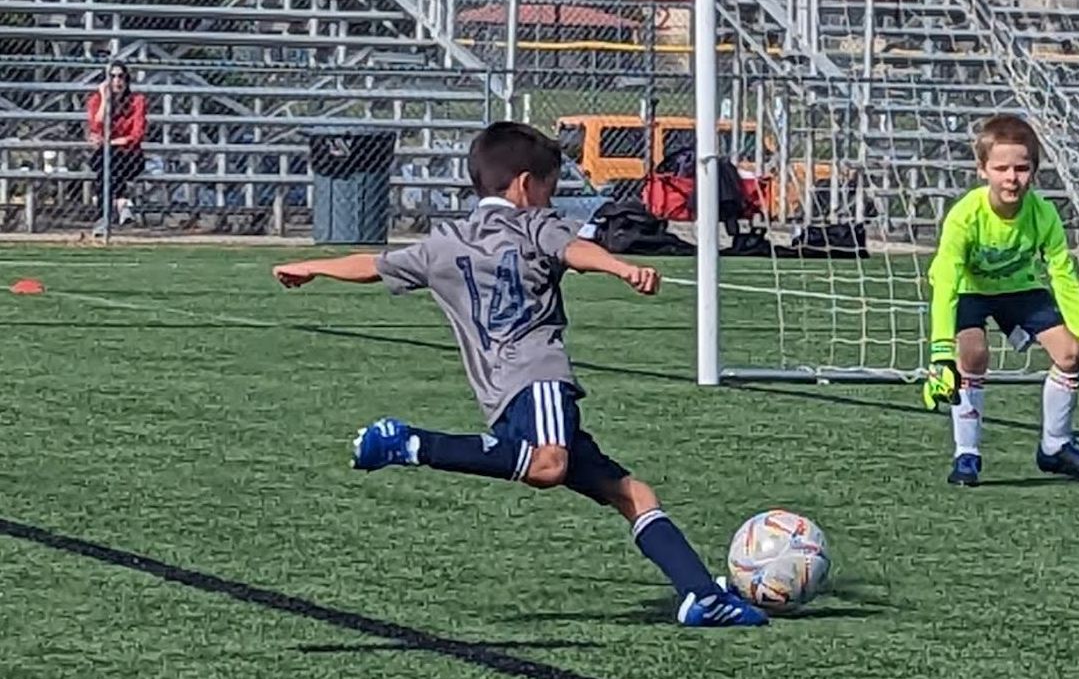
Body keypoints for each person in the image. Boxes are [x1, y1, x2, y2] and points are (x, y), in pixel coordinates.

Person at [272, 120, 768, 628]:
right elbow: (574, 250)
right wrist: (621, 269)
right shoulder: (536, 224)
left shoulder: (446, 243)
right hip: (539, 378)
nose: (550, 200)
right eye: (550, 188)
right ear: (526, 184)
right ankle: (410, 443)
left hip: (502, 397)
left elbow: (373, 264)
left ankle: (701, 595)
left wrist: (314, 267)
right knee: (549, 466)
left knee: (630, 493)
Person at [922, 113, 1079, 486]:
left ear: (1034, 170)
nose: (1012, 178)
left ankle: (1055, 447)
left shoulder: (1044, 213)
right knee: (972, 354)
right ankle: (967, 455)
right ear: (982, 170)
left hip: (1020, 290)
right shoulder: (964, 217)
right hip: (970, 291)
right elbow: (945, 282)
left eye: (1021, 168)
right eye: (1001, 168)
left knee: (1070, 353)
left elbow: (1064, 277)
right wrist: (941, 354)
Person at [86, 62, 147, 230]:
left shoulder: (137, 101)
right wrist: (105, 99)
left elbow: (137, 135)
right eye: (112, 77)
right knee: (106, 164)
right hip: (105, 156)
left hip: (131, 156)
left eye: (121, 76)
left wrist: (110, 141)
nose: (116, 81)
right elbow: (96, 127)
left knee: (109, 164)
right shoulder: (96, 101)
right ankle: (121, 203)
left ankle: (103, 216)